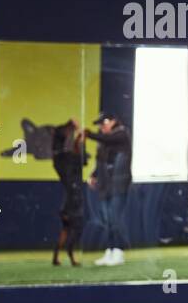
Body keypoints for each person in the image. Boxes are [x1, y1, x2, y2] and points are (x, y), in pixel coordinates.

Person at [87, 111, 132, 266]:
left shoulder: (122, 134)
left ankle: (119, 252)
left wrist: (89, 134)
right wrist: (93, 175)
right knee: (107, 220)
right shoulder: (104, 141)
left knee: (115, 218)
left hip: (118, 184)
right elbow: (100, 160)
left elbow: (108, 139)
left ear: (113, 121)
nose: (101, 126)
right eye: (99, 124)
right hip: (105, 185)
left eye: (104, 122)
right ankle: (110, 250)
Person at [51, 120, 88, 267]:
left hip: (67, 204)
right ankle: (71, 257)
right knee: (75, 230)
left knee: (66, 230)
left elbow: (63, 145)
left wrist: (73, 129)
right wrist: (80, 138)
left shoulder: (61, 162)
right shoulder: (72, 162)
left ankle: (57, 257)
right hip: (73, 203)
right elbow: (80, 155)